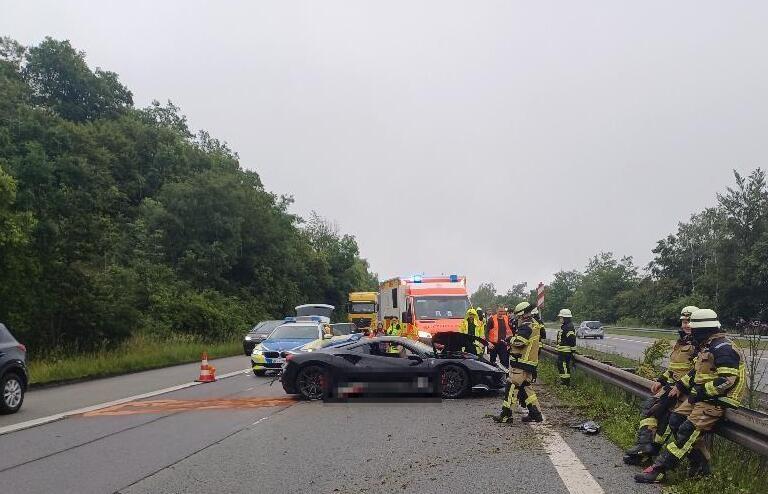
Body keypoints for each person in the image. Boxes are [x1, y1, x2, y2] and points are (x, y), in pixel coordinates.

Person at [635, 309, 746, 483]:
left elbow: (728, 380)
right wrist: (680, 385)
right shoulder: (708, 346)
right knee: (675, 420)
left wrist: (701, 393)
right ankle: (700, 468)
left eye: (694, 330)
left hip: (716, 401)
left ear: (703, 330)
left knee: (687, 432)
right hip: (701, 398)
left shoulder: (723, 348)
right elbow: (695, 372)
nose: (691, 333)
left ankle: (659, 469)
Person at [623, 306, 698, 465]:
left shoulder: (698, 344)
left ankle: (650, 451)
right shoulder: (681, 342)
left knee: (666, 421)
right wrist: (660, 380)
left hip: (684, 392)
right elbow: (673, 368)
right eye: (684, 321)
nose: (686, 325)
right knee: (650, 409)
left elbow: (697, 372)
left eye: (689, 321)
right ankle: (644, 446)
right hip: (671, 388)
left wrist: (680, 387)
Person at [488, 301, 543, 424]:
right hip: (530, 362)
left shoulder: (526, 325)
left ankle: (506, 415)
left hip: (521, 363)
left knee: (511, 387)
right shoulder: (535, 324)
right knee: (527, 388)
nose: (517, 317)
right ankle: (536, 414)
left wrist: (509, 339)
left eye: (518, 315)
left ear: (523, 314)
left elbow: (519, 342)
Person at [555, 309, 577, 386]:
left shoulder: (569, 327)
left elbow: (572, 340)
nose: (560, 319)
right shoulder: (565, 326)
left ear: (565, 318)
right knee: (561, 365)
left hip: (566, 352)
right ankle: (563, 381)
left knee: (563, 366)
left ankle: (565, 382)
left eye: (561, 317)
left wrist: (573, 351)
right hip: (563, 351)